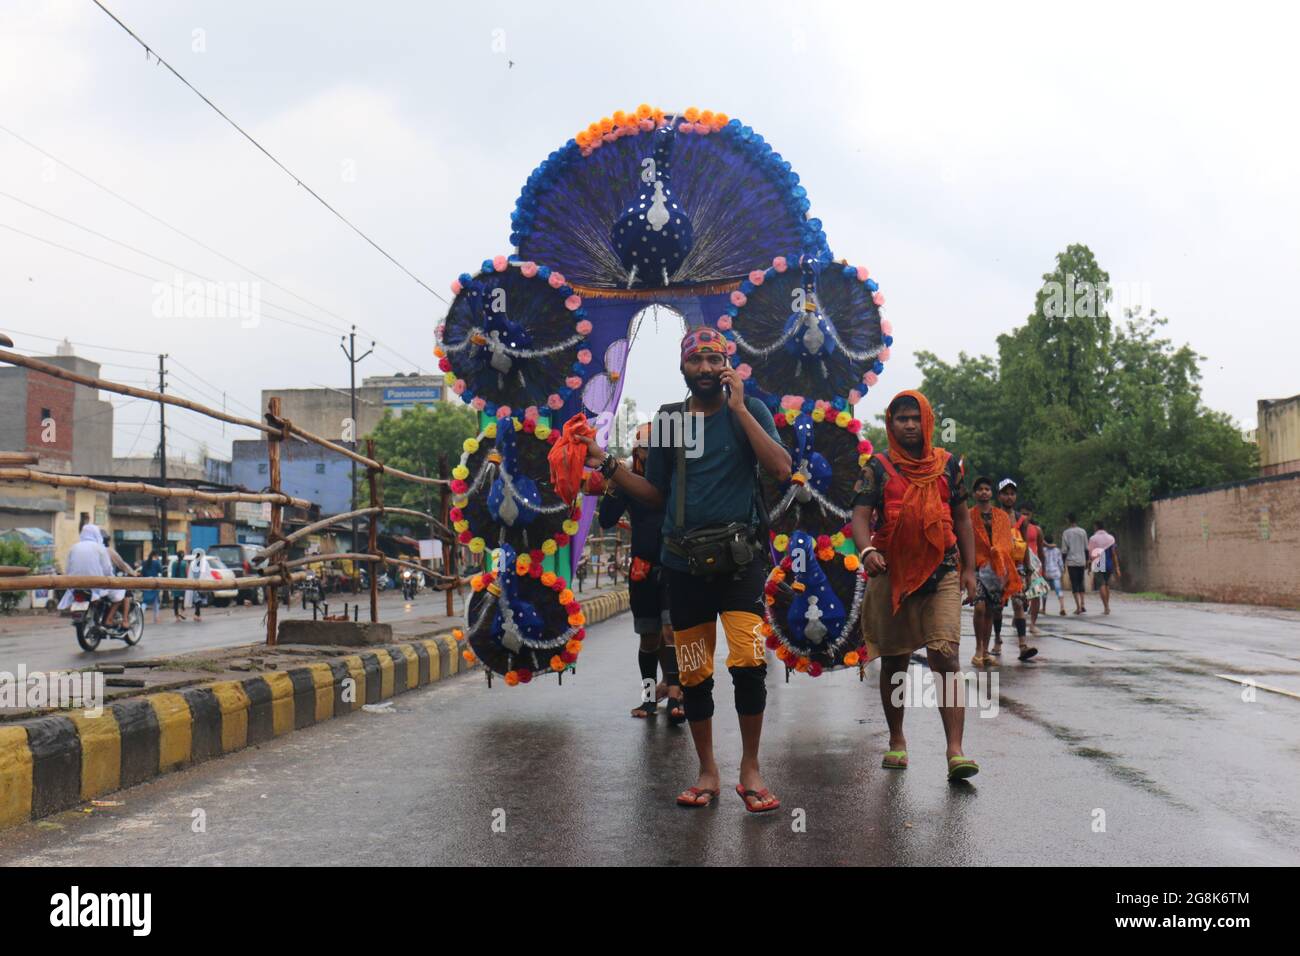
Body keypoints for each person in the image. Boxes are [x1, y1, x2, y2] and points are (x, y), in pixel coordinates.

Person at [582, 326, 791, 812]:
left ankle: (751, 770)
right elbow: (655, 494)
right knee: (694, 673)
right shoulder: (670, 421)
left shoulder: (750, 411)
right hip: (684, 565)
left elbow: (781, 468)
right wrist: (608, 465)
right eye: (696, 360)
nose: (705, 368)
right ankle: (707, 771)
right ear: (682, 367)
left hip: (741, 564)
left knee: (750, 665)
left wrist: (739, 409)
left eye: (714, 359)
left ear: (728, 364)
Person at [851, 390, 980, 781]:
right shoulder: (877, 467)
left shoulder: (947, 467)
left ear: (926, 421)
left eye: (914, 417)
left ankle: (955, 751)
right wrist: (867, 550)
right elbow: (859, 516)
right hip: (891, 575)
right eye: (900, 418)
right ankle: (897, 739)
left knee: (945, 657)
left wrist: (971, 570)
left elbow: (961, 519)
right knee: (895, 660)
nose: (908, 424)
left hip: (943, 572)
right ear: (891, 424)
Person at [595, 421, 683, 722]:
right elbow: (606, 519)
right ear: (638, 451)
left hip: (675, 565)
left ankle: (674, 696)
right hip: (642, 568)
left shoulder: (676, 480)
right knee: (649, 637)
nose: (654, 455)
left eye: (659, 450)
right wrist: (614, 483)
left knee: (672, 632)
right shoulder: (628, 481)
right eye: (648, 450)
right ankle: (648, 699)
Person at [967, 476, 1020, 668]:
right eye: (979, 489)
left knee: (990, 610)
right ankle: (978, 649)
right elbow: (964, 541)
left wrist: (998, 553)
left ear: (991, 493)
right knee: (979, 606)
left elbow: (1006, 542)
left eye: (987, 489)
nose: (983, 492)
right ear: (974, 493)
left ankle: (986, 650)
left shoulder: (1002, 517)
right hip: (976, 567)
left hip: (997, 568)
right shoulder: (968, 515)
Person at [995, 479, 1038, 661]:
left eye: (1012, 493)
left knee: (1019, 605)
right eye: (1005, 493)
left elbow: (1026, 545)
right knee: (997, 606)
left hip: (1018, 567)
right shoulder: (993, 516)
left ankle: (1022, 645)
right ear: (999, 496)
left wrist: (1028, 571)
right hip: (999, 567)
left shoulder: (1022, 520)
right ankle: (997, 639)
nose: (1009, 497)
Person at [56, 524, 125, 623]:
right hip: (96, 585)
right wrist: (110, 577)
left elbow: (68, 568)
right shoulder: (100, 548)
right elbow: (107, 569)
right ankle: (109, 619)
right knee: (119, 594)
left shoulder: (74, 547)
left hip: (76, 584)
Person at [100, 530, 135, 630]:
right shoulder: (108, 551)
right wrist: (133, 573)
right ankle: (122, 620)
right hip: (105, 582)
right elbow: (122, 564)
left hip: (87, 583)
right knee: (123, 592)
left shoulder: (90, 550)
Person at [1088, 521, 1121, 614]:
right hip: (1109, 562)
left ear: (1096, 527)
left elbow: (1090, 553)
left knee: (1101, 584)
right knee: (1106, 584)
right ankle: (1107, 606)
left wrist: (1090, 564)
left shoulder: (1093, 538)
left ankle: (1106, 607)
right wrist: (1117, 567)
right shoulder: (1111, 538)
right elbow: (1114, 553)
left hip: (1099, 560)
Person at [1061, 513, 1089, 614]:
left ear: (1068, 520)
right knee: (1081, 582)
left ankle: (1078, 607)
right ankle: (1083, 604)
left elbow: (1064, 550)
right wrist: (1087, 560)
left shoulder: (1066, 533)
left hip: (1072, 562)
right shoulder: (1083, 532)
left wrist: (1063, 564)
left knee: (1074, 584)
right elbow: (1086, 548)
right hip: (1081, 561)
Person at [1041, 535, 1067, 616]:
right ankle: (1062, 607)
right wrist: (1062, 570)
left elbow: (1041, 562)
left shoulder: (1043, 550)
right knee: (1059, 590)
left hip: (1046, 573)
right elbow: (1060, 562)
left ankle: (1044, 608)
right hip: (1055, 572)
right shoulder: (1057, 550)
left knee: (1044, 592)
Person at [140, 549, 163, 625]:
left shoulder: (145, 562)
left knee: (145, 601)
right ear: (156, 555)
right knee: (156, 601)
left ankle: (141, 616)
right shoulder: (157, 562)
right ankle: (156, 618)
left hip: (146, 583)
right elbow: (160, 570)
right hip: (154, 583)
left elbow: (142, 572)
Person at [170, 544, 189, 620]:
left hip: (175, 583)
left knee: (176, 600)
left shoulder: (173, 563)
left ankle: (176, 616)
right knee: (184, 599)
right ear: (183, 556)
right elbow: (187, 574)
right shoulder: (185, 564)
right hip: (183, 583)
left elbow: (172, 574)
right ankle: (182, 611)